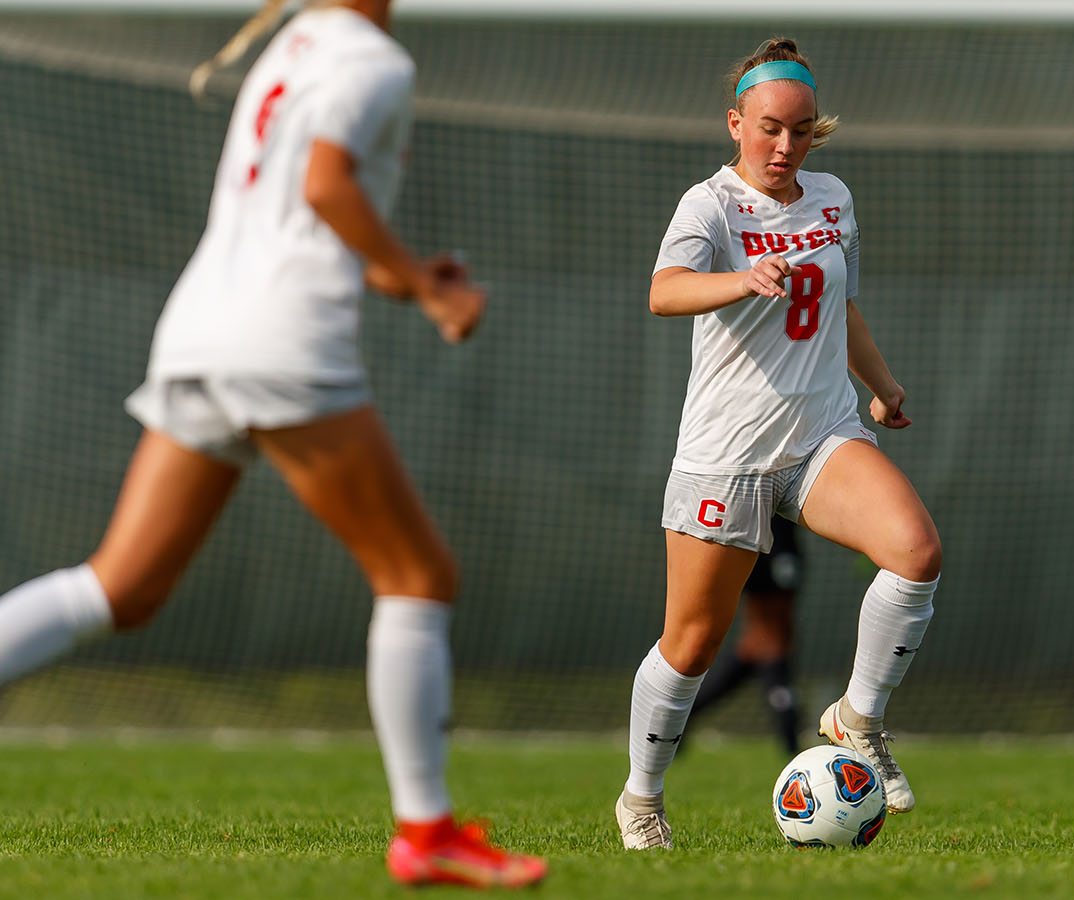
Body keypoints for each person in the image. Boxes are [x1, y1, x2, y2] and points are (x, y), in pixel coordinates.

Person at [0, 0, 544, 888]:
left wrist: (400, 274)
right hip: (280, 342)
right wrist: (428, 288)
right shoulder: (374, 59)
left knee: (120, 586)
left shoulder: (294, 44)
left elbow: (300, 204)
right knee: (418, 577)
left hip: (200, 327)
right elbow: (326, 189)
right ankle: (428, 833)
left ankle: (430, 831)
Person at [616, 38, 942, 850]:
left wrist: (883, 382)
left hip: (823, 433)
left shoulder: (832, 197)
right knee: (691, 643)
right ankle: (641, 801)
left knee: (917, 552)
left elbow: (845, 306)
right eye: (768, 129)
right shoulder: (711, 207)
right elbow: (664, 293)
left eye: (800, 132)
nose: (784, 147)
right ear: (736, 123)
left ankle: (857, 719)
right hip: (727, 453)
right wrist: (741, 279)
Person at [690, 516, 805, 755]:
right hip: (760, 537)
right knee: (770, 651)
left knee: (763, 647)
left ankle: (680, 719)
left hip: (777, 540)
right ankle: (792, 746)